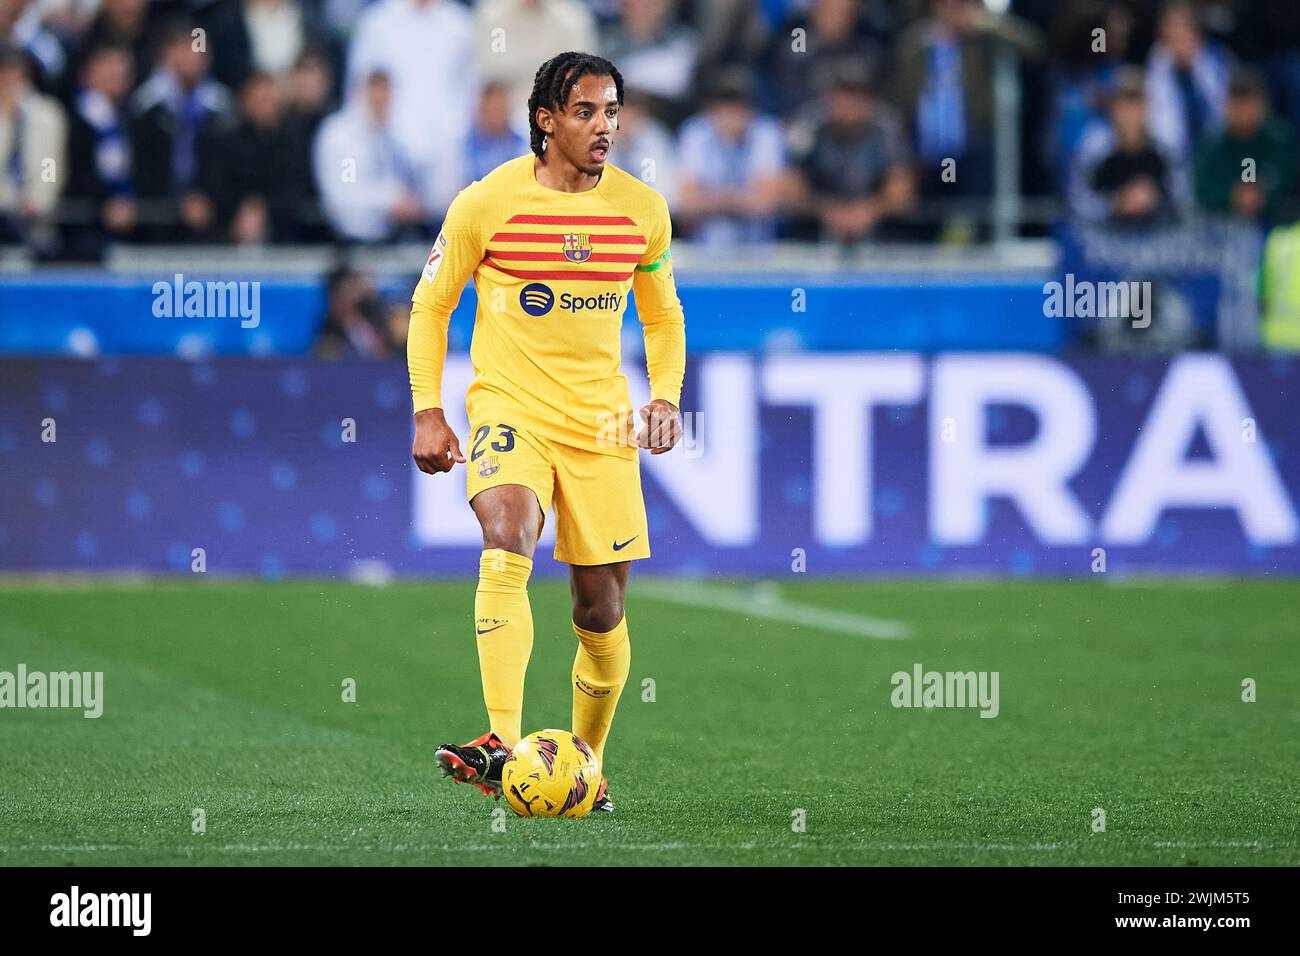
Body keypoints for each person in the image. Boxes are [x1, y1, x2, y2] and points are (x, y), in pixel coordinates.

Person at [408, 52, 686, 814]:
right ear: (547, 120)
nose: (606, 127)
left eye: (613, 112)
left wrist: (665, 397)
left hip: (600, 422)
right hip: (509, 408)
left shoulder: (641, 210)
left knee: (599, 610)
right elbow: (431, 307)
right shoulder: (484, 203)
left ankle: (586, 766)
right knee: (506, 533)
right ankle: (501, 740)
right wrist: (428, 409)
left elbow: (662, 315)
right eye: (588, 112)